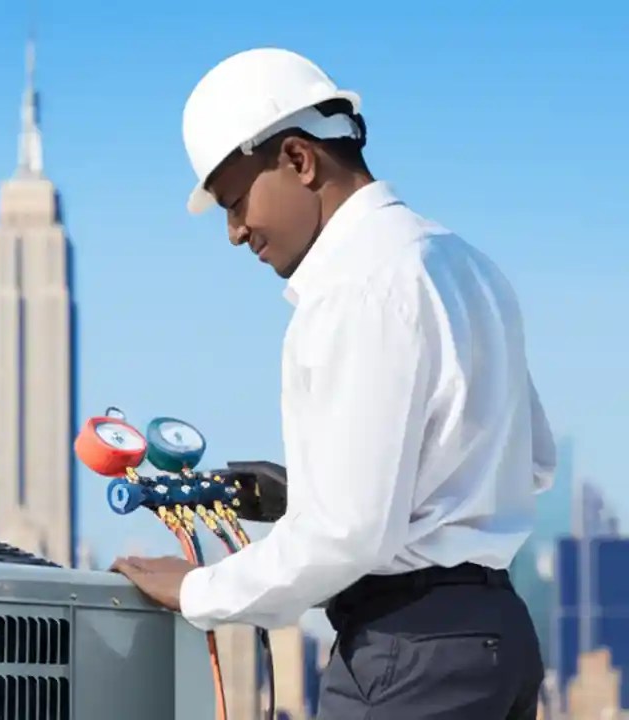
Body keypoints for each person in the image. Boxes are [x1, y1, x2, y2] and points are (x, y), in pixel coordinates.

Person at [110, 47, 554, 718]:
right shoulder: (467, 267)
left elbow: (351, 534)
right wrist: (312, 494)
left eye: (235, 203)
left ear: (298, 159)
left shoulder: (358, 288)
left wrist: (202, 590)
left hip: (410, 653)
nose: (234, 233)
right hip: (498, 642)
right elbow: (533, 464)